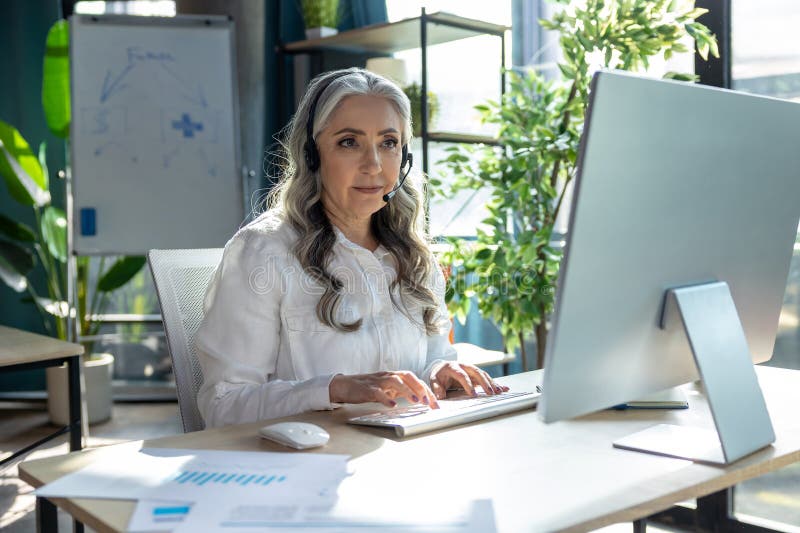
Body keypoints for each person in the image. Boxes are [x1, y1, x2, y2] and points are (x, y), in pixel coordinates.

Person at [194, 67, 508, 428]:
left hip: (407, 457)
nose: (373, 165)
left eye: (388, 143)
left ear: (404, 158)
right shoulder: (263, 252)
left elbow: (432, 360)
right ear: (312, 156)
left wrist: (441, 371)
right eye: (349, 142)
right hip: (311, 470)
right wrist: (333, 389)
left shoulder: (413, 255)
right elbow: (223, 405)